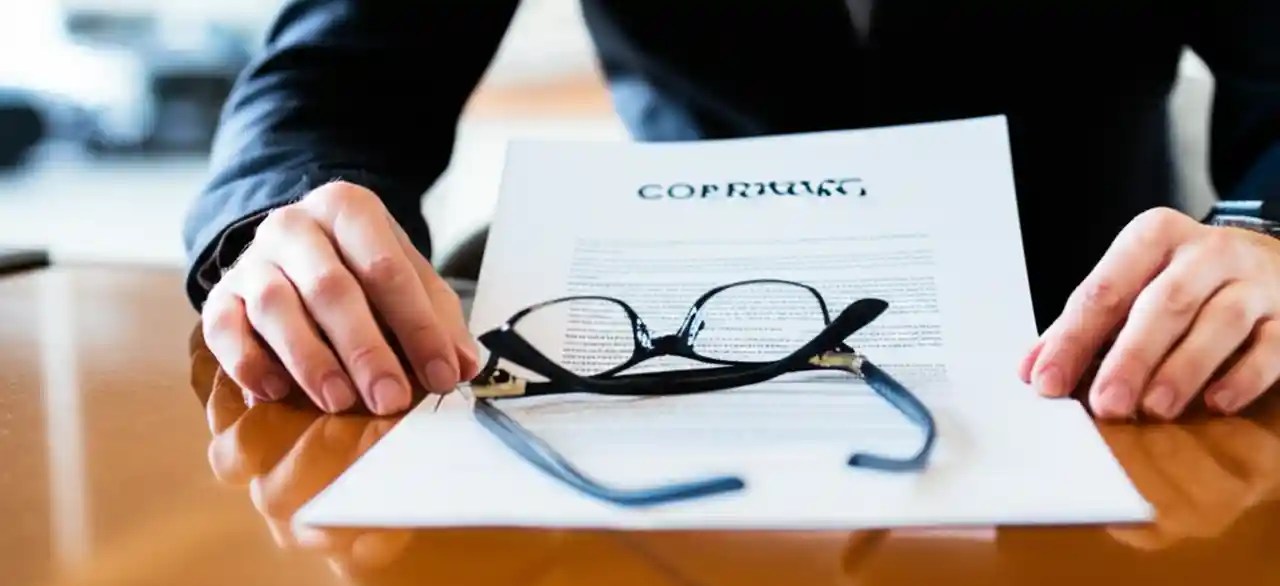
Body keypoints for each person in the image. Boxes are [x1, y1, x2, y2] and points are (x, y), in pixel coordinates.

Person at [183, 1, 1280, 421]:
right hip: (673, 370)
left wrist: (1265, 230)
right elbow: (333, 80)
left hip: (1101, 362)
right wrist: (278, 222)